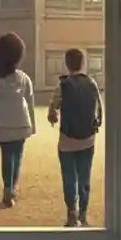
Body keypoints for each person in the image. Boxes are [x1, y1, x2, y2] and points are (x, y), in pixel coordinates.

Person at [47, 48, 102, 227]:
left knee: (69, 177)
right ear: (83, 63)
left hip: (67, 141)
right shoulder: (92, 83)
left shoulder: (62, 85)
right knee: (85, 177)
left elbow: (52, 109)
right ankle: (84, 214)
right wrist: (96, 125)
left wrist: (53, 116)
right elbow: (99, 109)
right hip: (88, 139)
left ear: (67, 64)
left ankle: (72, 212)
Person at [0, 32, 37, 208]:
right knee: (17, 157)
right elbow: (30, 102)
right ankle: (11, 188)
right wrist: (33, 126)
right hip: (22, 123)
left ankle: (8, 188)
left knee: (7, 157)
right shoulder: (23, 78)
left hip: (2, 125)